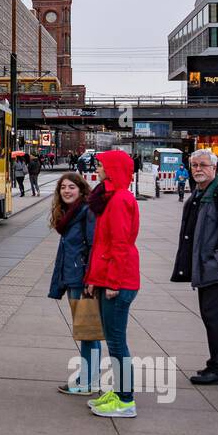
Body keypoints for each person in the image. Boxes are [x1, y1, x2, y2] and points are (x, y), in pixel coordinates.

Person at [172, 149, 218, 385]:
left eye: (203, 165)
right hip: (206, 270)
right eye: (194, 165)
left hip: (216, 272)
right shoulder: (200, 194)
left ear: (214, 169)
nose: (197, 169)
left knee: (215, 319)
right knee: (217, 319)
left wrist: (215, 263)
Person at [84, 150, 141, 418]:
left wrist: (113, 282)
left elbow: (119, 244)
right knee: (114, 340)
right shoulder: (112, 197)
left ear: (114, 169)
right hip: (111, 278)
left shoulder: (119, 200)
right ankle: (119, 393)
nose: (98, 168)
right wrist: (95, 279)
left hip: (119, 281)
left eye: (102, 165)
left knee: (117, 342)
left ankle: (126, 400)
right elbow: (103, 245)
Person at [48, 173, 102, 396]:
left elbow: (93, 245)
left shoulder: (85, 211)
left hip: (81, 279)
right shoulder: (70, 214)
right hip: (73, 276)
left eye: (71, 187)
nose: (67, 191)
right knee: (87, 329)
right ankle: (89, 378)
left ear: (81, 189)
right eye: (63, 188)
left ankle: (87, 381)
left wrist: (90, 278)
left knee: (87, 331)